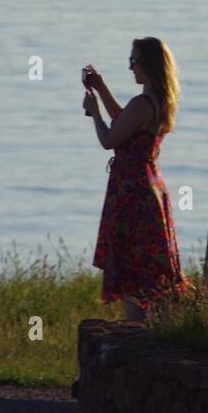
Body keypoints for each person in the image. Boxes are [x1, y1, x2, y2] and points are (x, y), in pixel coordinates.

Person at [83, 37, 193, 323]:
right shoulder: (157, 102)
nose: (130, 67)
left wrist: (94, 112)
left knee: (132, 270)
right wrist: (101, 87)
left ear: (147, 65)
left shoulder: (142, 104)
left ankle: (135, 334)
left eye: (133, 61)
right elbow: (124, 120)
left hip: (132, 193)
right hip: (149, 188)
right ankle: (147, 330)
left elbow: (110, 139)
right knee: (146, 268)